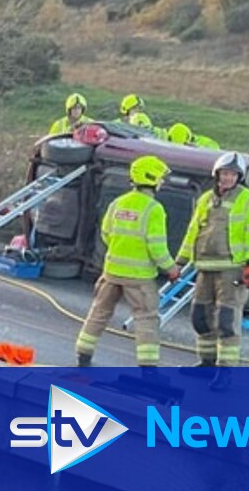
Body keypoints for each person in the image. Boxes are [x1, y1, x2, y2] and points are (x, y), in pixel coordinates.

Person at [75, 155, 180, 368]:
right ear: (152, 179)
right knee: (146, 320)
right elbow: (157, 247)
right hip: (139, 278)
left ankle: (83, 355)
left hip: (112, 272)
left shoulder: (118, 203)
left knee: (98, 313)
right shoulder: (153, 209)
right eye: (160, 178)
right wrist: (171, 268)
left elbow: (106, 233)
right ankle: (148, 368)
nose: (162, 182)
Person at [174, 152, 249, 390]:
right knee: (200, 317)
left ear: (240, 177)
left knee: (227, 320)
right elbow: (193, 231)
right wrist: (180, 261)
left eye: (233, 174)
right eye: (225, 173)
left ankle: (225, 372)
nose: (228, 178)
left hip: (232, 270)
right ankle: (206, 364)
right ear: (217, 174)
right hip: (205, 268)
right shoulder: (206, 199)